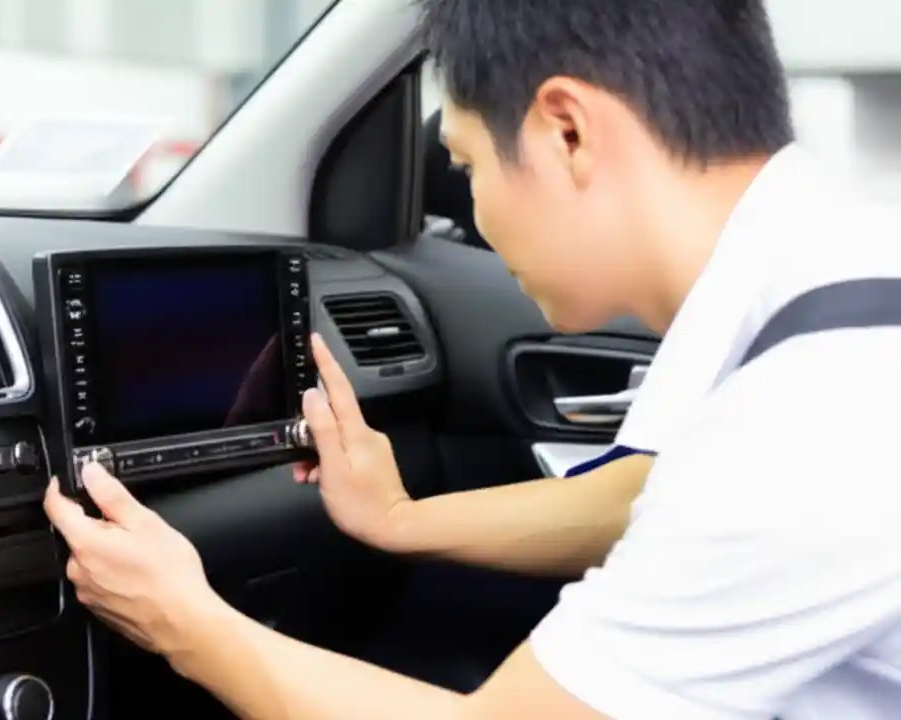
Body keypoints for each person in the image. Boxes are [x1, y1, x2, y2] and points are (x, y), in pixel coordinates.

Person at [44, 0, 901, 717]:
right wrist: (400, 521)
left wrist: (185, 621)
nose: (475, 210)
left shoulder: (812, 407)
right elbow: (654, 500)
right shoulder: (830, 265)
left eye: (467, 164)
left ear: (567, 130)